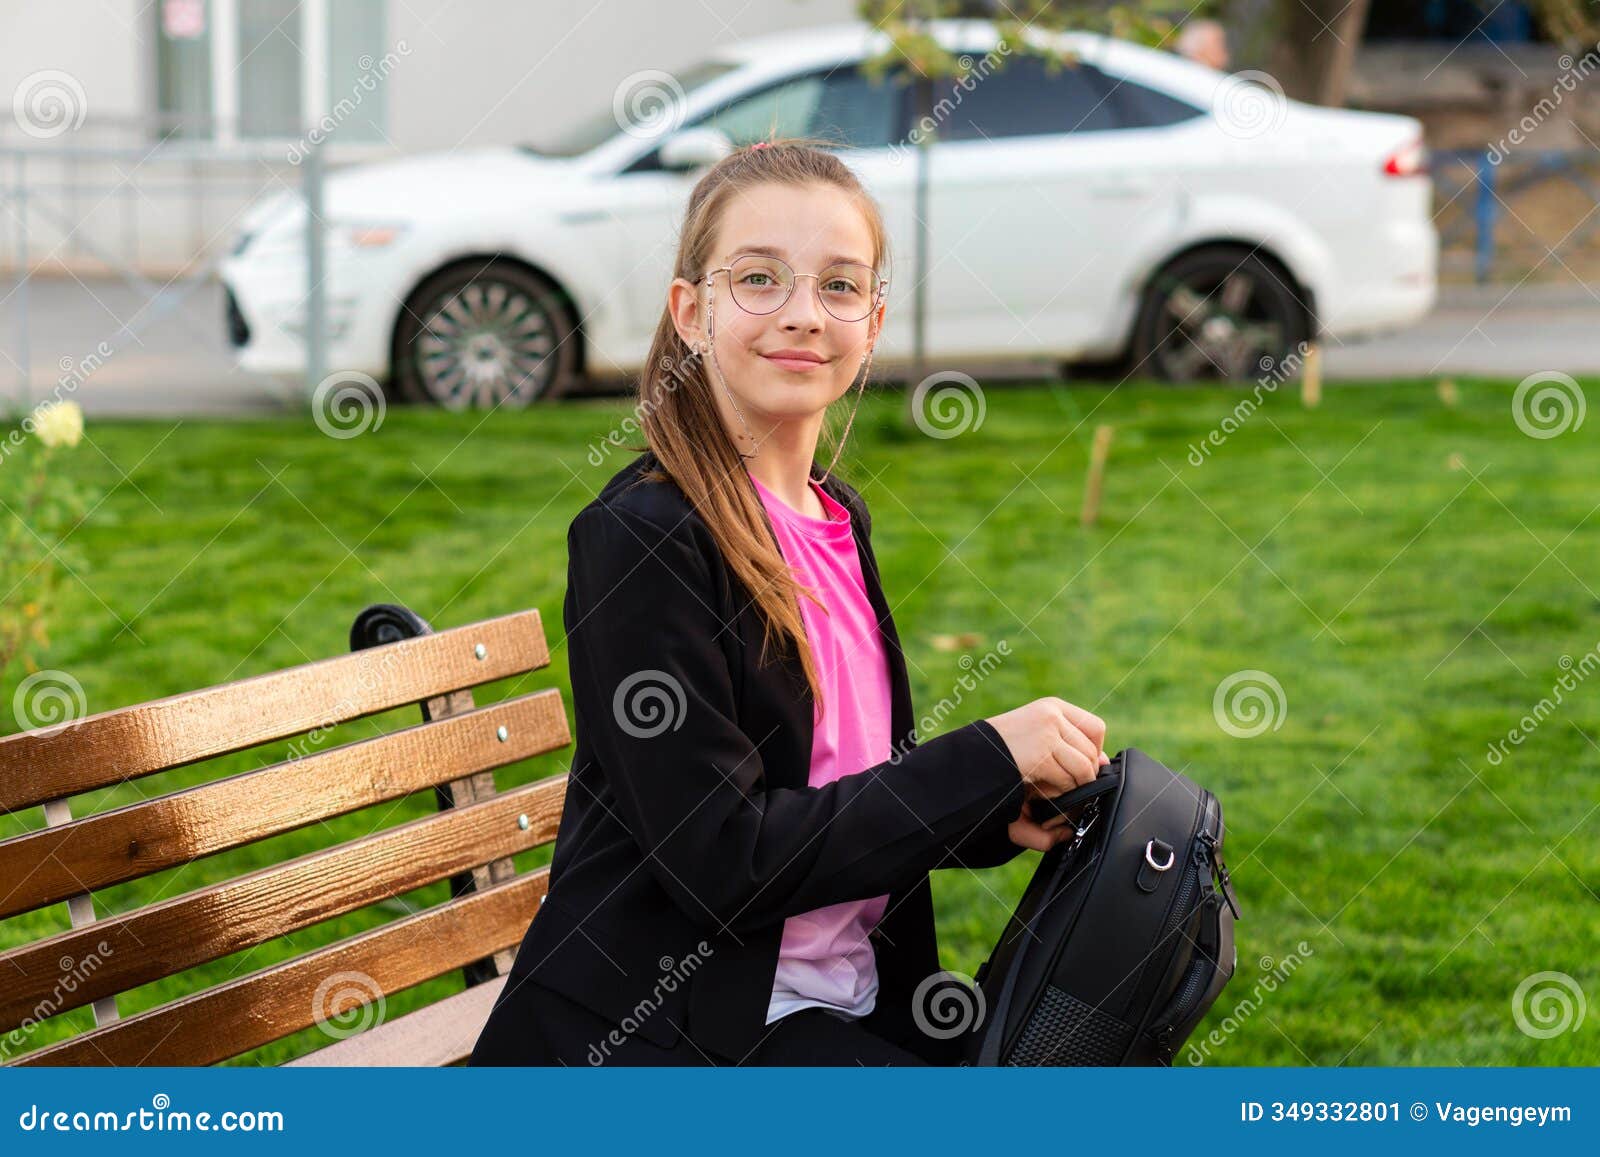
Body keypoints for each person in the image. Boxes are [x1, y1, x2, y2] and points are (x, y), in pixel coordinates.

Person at [469, 137, 1110, 1068]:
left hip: (844, 1007)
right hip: (683, 1030)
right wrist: (980, 756)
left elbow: (822, 788)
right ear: (691, 312)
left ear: (874, 322)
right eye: (759, 279)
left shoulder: (837, 517)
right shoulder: (646, 536)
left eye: (840, 286)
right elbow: (721, 861)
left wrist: (988, 808)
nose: (805, 315)